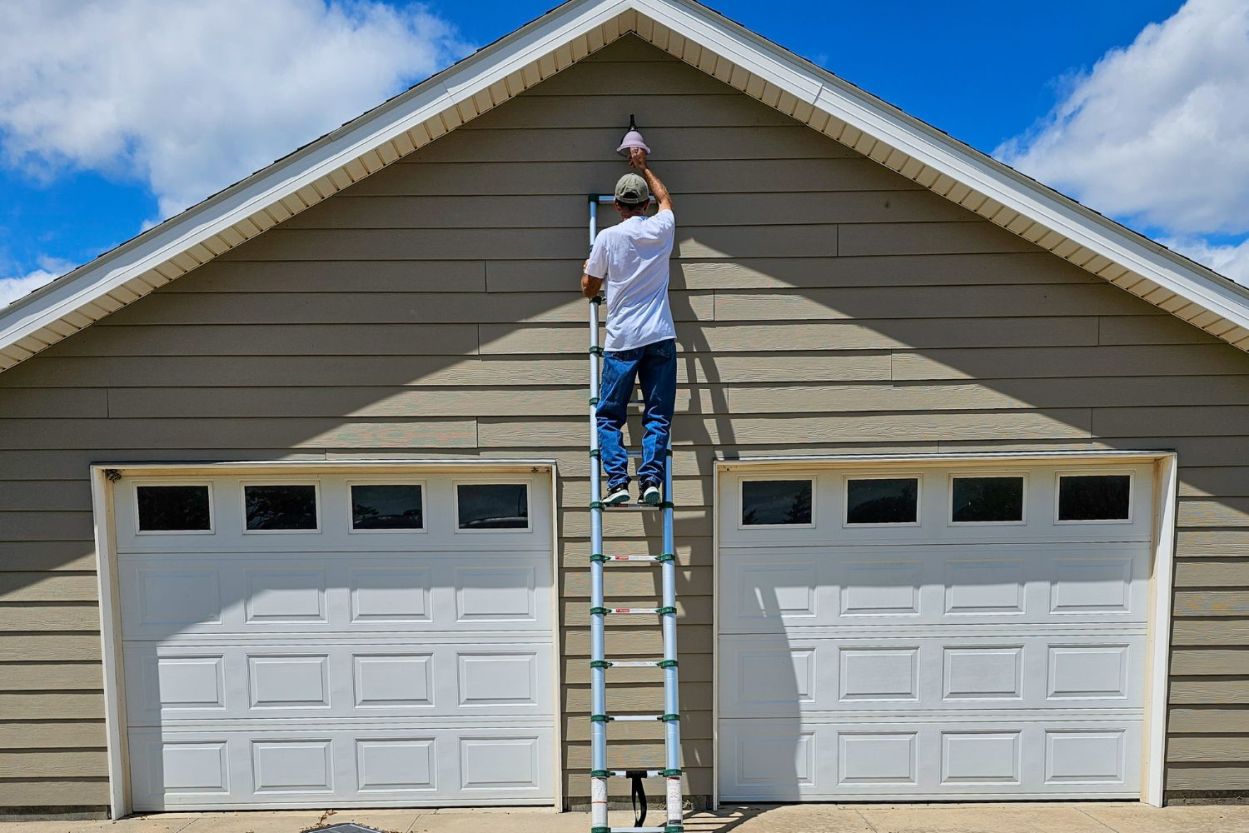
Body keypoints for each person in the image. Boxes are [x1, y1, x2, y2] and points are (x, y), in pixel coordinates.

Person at [581, 147, 676, 506]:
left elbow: (590, 287)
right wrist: (644, 167)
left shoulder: (607, 238)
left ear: (618, 206)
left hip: (623, 340)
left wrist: (587, 274)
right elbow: (667, 199)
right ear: (646, 204)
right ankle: (651, 480)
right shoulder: (662, 228)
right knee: (657, 414)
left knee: (608, 415)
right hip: (660, 337)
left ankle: (618, 483)